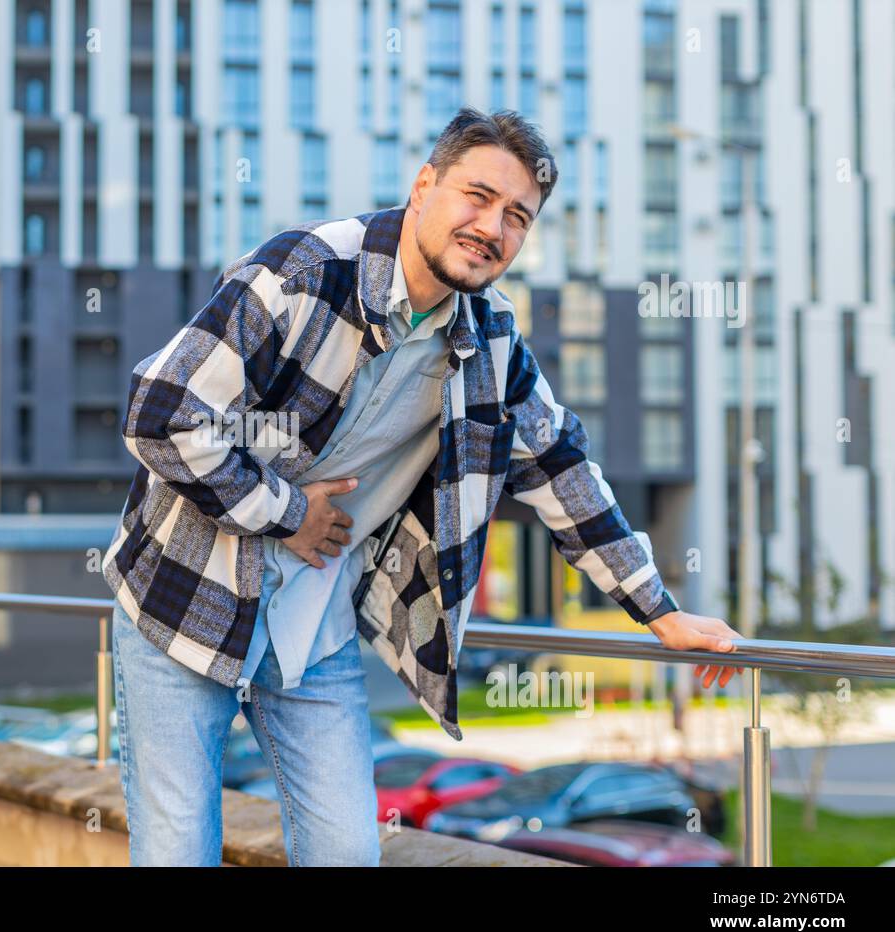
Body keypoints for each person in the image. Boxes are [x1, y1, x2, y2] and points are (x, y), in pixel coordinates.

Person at [100, 107, 744, 867]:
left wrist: (658, 613)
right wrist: (285, 515)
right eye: (477, 196)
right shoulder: (305, 272)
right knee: (177, 853)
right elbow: (159, 412)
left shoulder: (491, 343)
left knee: (346, 853)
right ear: (424, 185)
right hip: (182, 600)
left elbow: (562, 470)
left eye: (517, 217)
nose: (492, 227)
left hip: (314, 625)